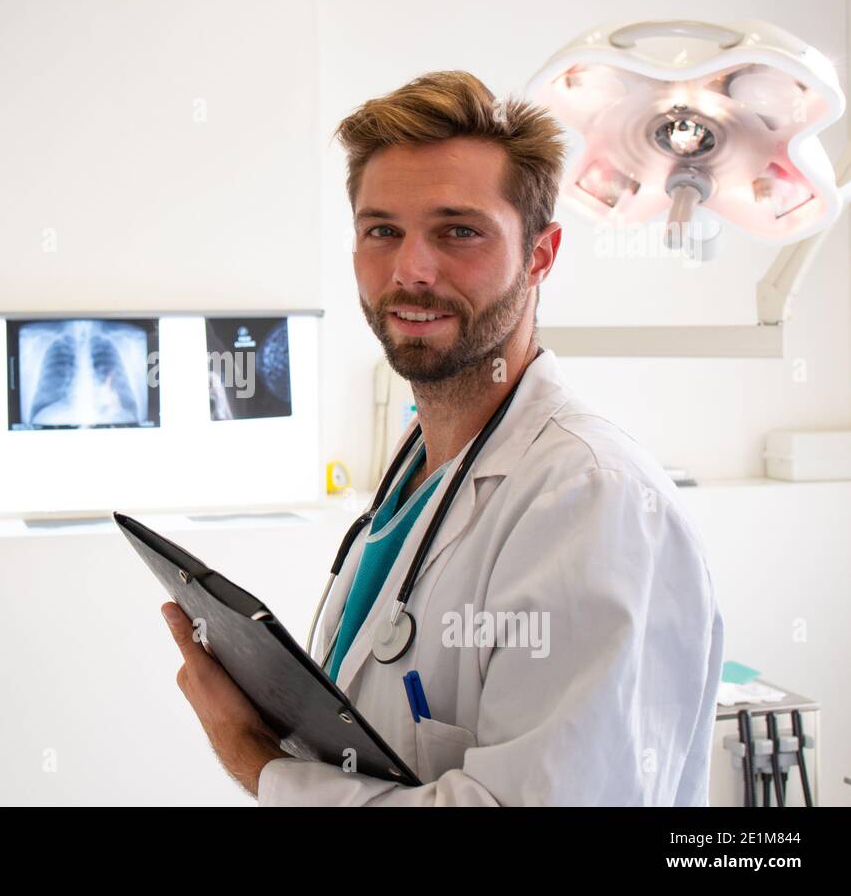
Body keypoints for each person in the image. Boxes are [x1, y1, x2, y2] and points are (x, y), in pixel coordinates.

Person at [161, 70, 724, 806]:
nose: (410, 271)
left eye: (459, 231)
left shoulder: (590, 500)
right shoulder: (421, 473)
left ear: (542, 255)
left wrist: (256, 759)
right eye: (381, 231)